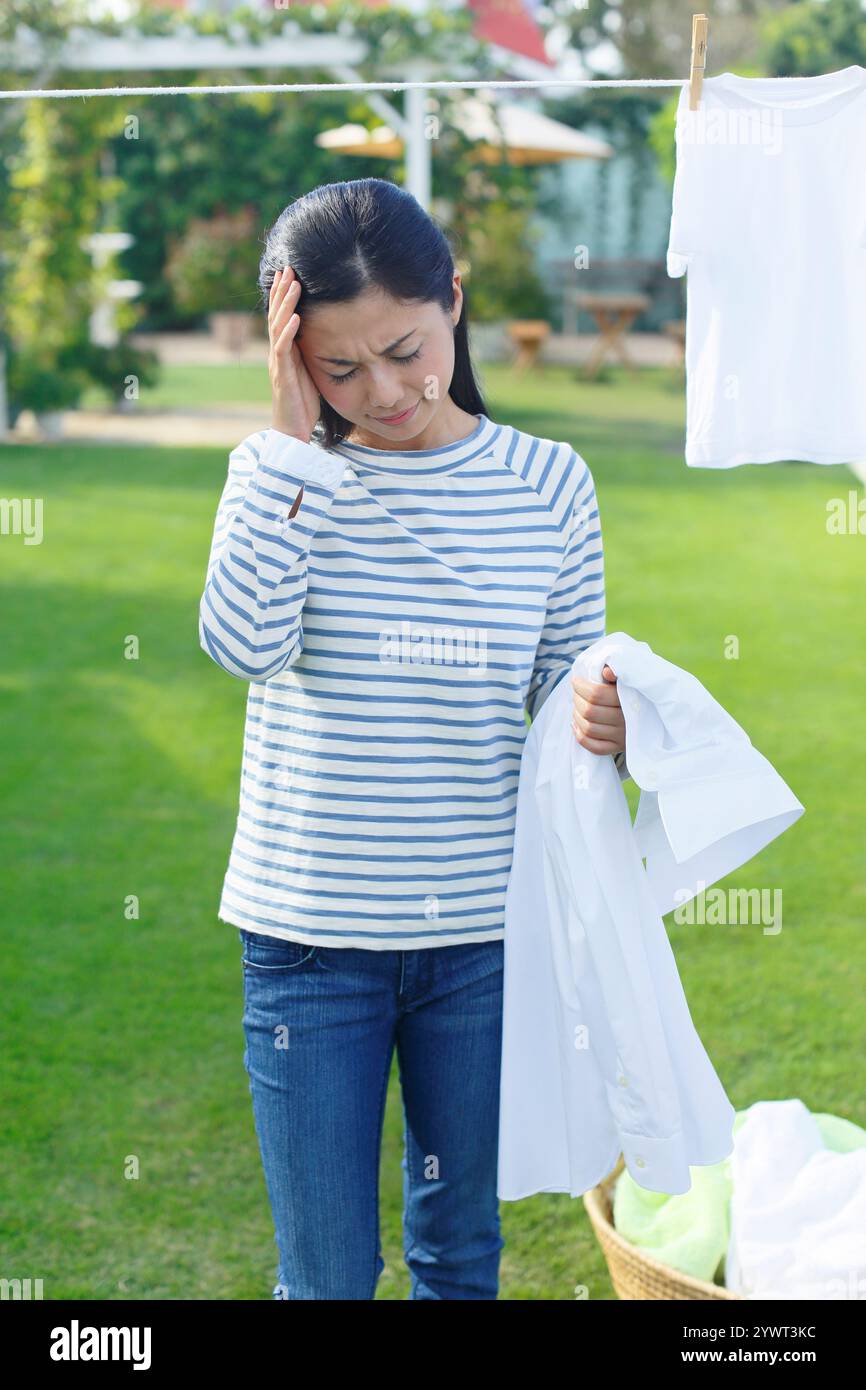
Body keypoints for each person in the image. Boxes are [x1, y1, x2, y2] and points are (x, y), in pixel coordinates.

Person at [198, 178, 626, 1299]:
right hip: (308, 947)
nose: (382, 391)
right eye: (340, 367)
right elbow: (240, 643)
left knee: (457, 1260)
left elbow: (560, 708)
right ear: (296, 360)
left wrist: (608, 725)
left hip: (480, 945)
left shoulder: (548, 485)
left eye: (403, 349)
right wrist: (293, 445)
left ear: (454, 299)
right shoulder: (279, 478)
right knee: (326, 1277)